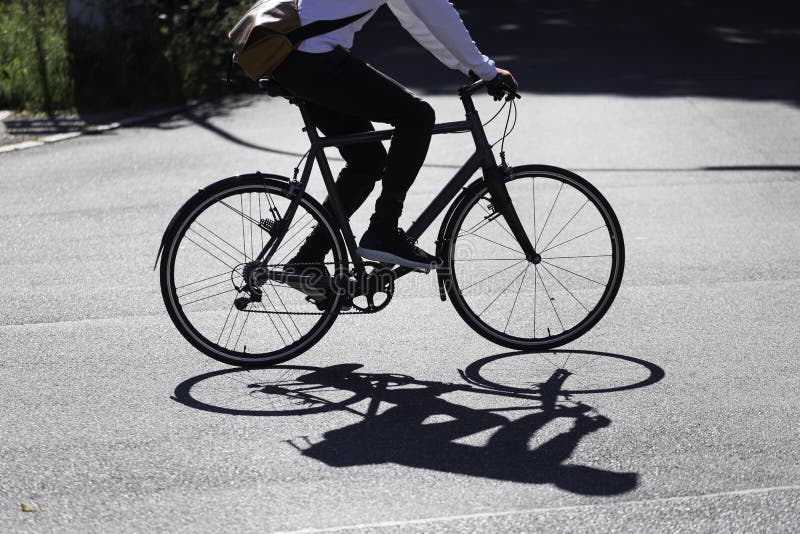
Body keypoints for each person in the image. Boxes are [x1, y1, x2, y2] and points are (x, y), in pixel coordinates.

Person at [274, 0, 518, 273]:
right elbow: (437, 12)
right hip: (314, 58)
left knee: (368, 161)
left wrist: (470, 68)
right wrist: (486, 70)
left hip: (292, 58)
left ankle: (307, 260)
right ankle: (384, 229)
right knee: (417, 116)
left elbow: (416, 19)